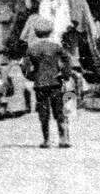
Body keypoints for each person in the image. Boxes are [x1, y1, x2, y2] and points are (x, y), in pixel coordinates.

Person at [23, 16, 71, 148]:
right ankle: (63, 139)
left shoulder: (31, 49)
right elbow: (67, 60)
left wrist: (33, 77)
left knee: (43, 112)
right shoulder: (56, 47)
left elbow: (25, 68)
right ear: (50, 32)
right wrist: (65, 75)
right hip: (56, 83)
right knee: (59, 111)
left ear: (36, 33)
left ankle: (46, 140)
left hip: (40, 85)